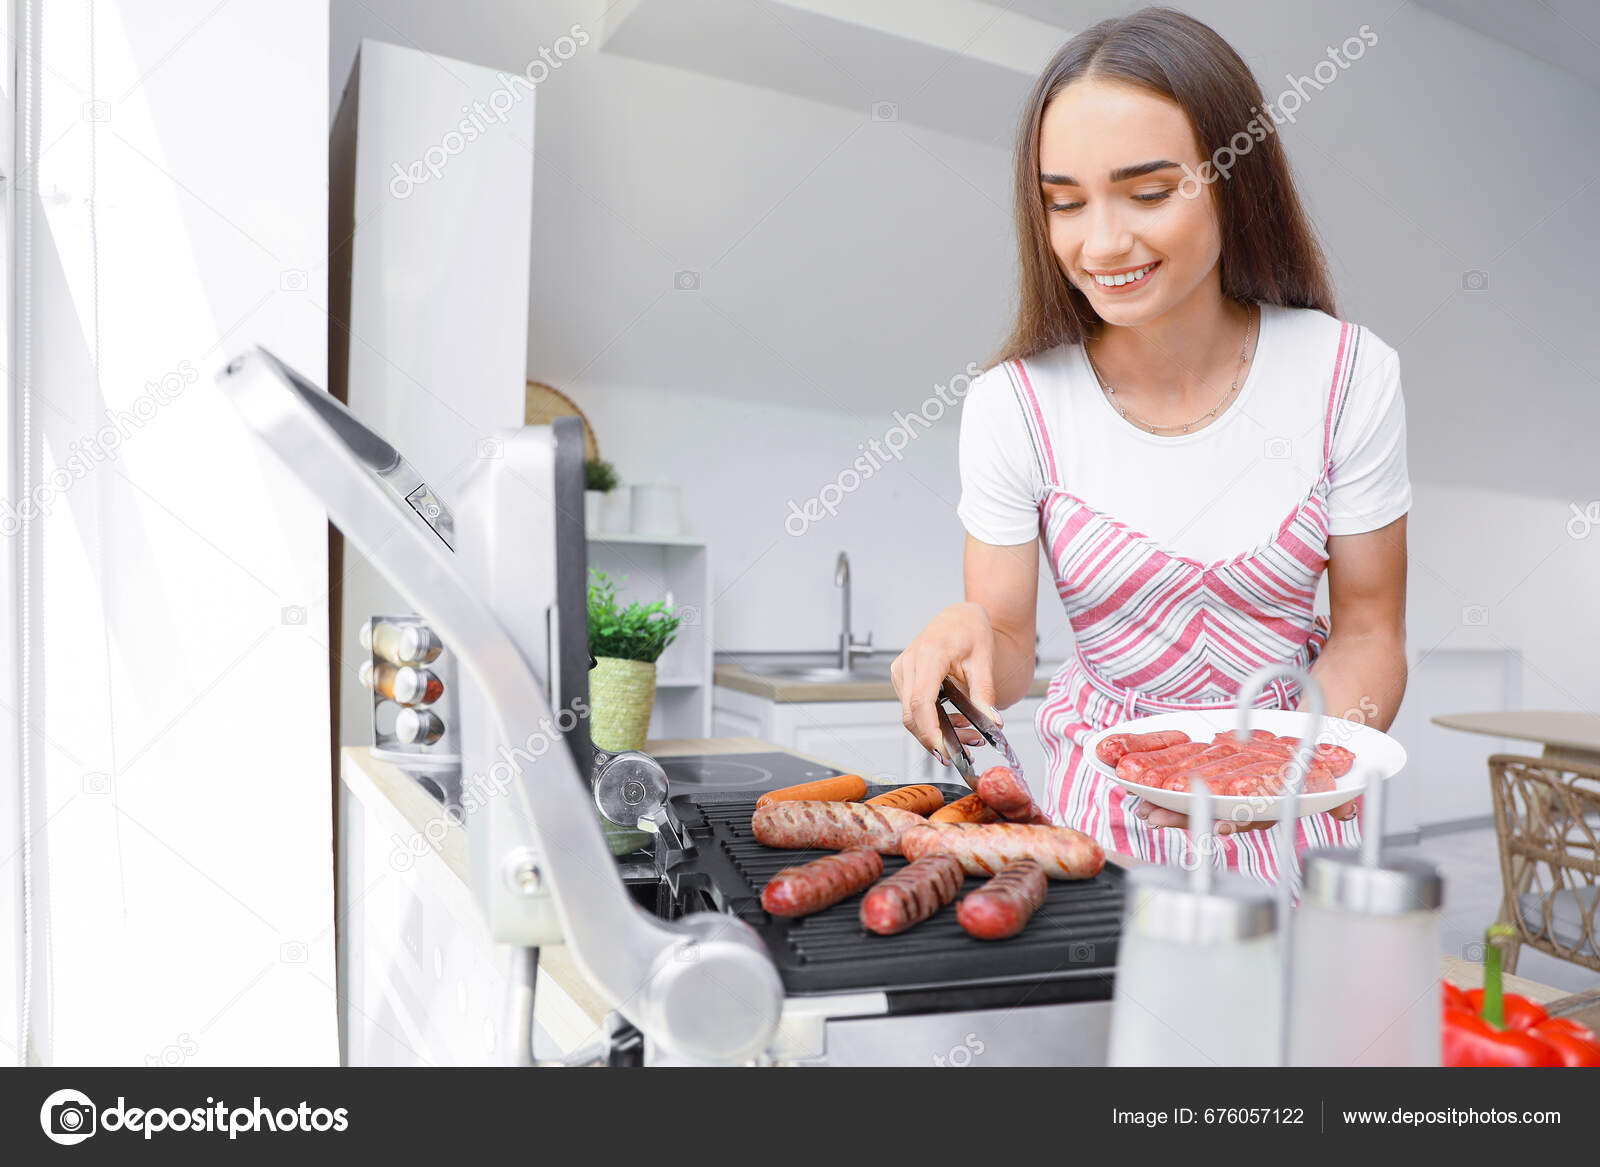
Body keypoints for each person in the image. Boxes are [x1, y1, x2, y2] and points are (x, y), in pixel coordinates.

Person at [891, 8, 1409, 882]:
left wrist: (1275, 765)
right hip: (1103, 827)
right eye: (1065, 203)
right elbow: (1009, 646)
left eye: (1149, 191)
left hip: (1293, 812)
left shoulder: (1347, 372)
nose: (1102, 243)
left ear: (1234, 181)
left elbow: (1369, 632)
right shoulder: (1013, 405)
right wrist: (966, 631)